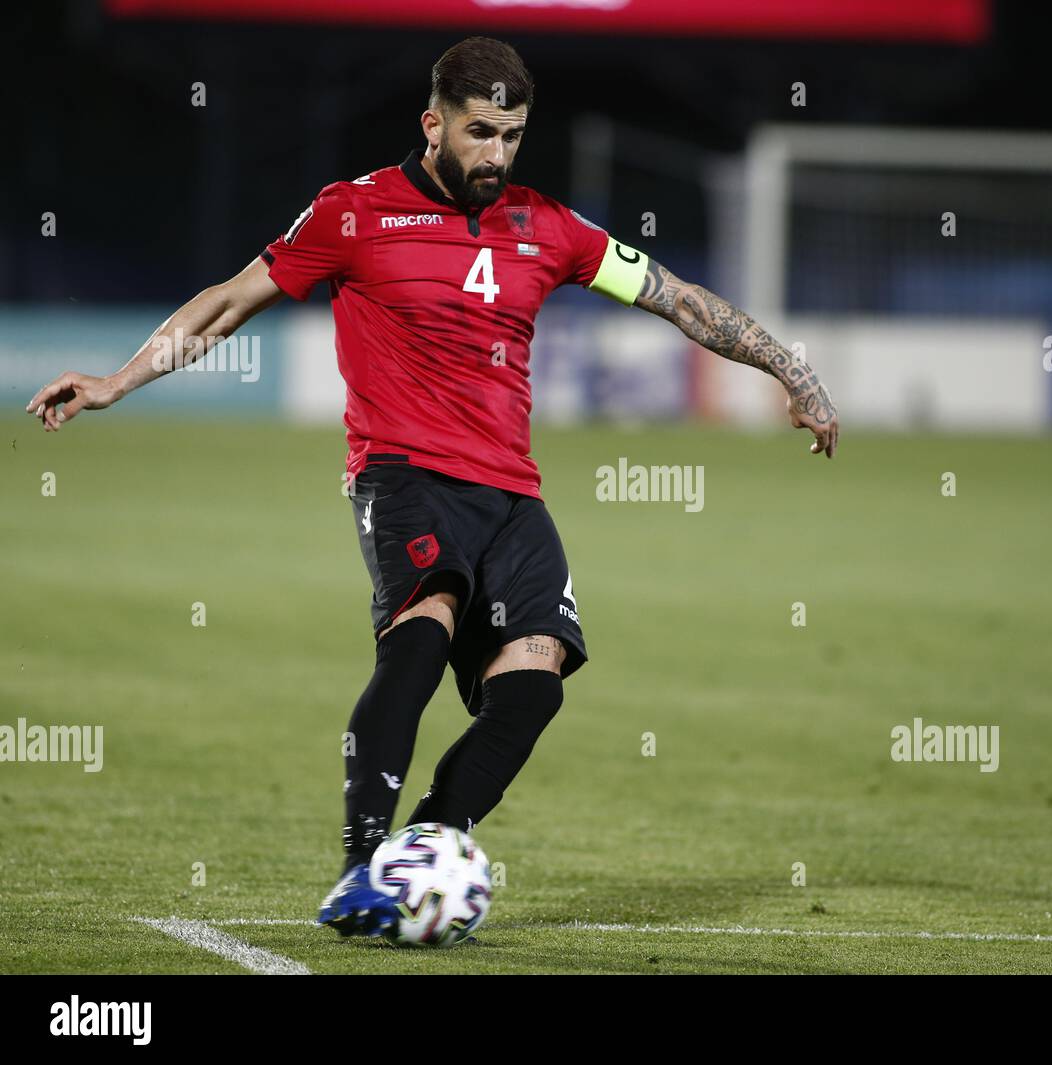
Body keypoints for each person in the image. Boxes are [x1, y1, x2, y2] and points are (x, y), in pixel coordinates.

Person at [25, 36, 838, 937]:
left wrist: (788, 372)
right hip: (403, 473)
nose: (496, 154)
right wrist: (115, 381)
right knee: (422, 629)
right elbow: (226, 301)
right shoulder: (352, 213)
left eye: (513, 136)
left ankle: (421, 849)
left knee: (533, 688)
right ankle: (357, 865)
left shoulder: (551, 227)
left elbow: (677, 296)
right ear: (434, 122)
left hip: (512, 494)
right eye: (480, 132)